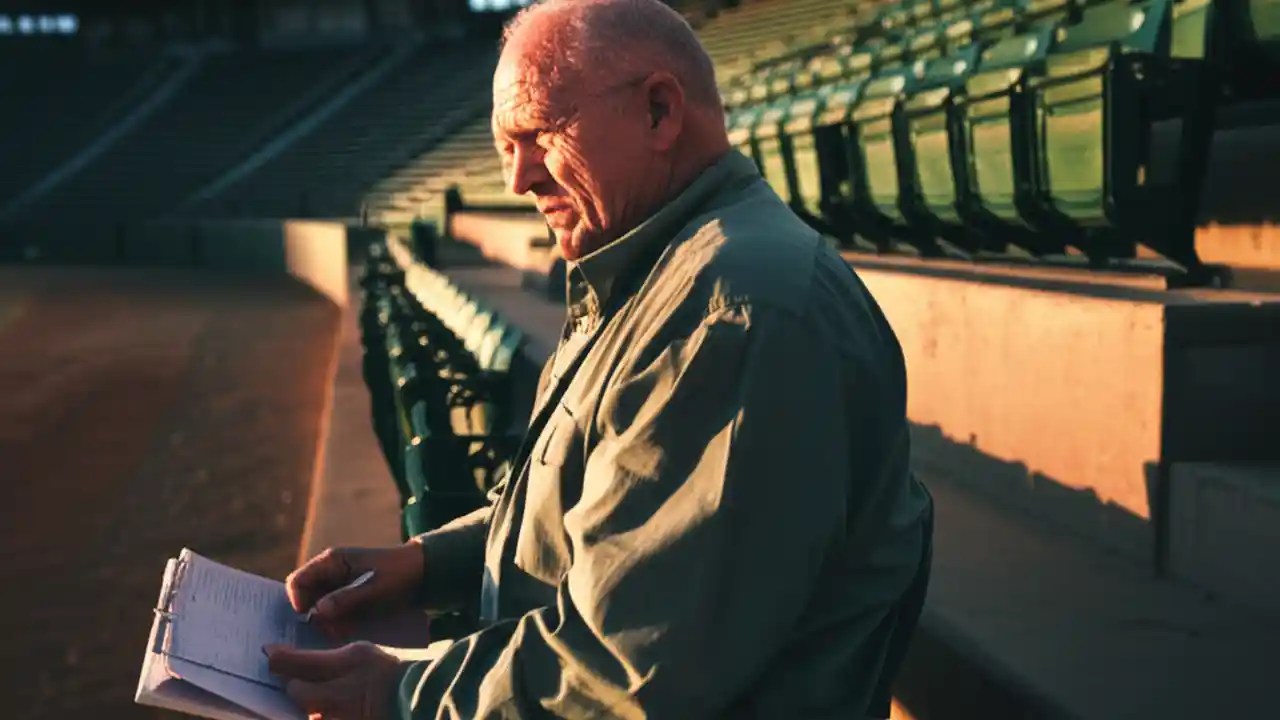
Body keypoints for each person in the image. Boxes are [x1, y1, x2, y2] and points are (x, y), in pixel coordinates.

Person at [265, 0, 934, 717]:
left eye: (538, 135)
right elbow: (578, 509)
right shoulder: (660, 271)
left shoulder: (729, 313)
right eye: (503, 147)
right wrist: (427, 564)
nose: (518, 179)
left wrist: (400, 695)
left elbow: (628, 668)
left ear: (658, 112)